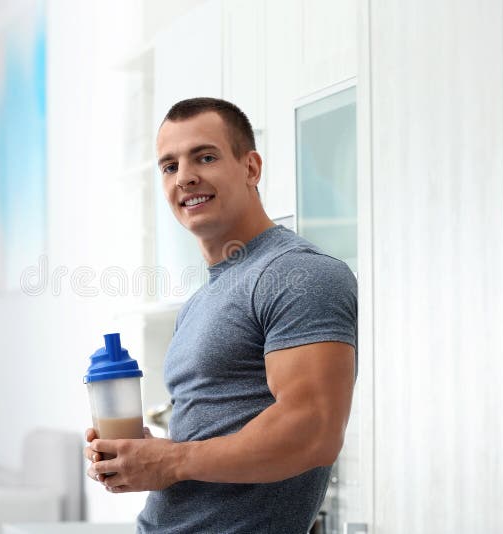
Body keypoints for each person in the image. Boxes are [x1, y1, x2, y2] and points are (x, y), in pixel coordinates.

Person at [84, 97, 357, 533]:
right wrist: (146, 457)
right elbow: (206, 451)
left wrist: (171, 461)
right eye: (169, 166)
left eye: (205, 157)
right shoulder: (200, 300)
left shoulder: (299, 274)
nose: (185, 177)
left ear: (251, 168)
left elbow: (313, 431)